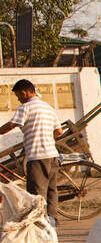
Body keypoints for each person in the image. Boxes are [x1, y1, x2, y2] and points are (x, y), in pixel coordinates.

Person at [1, 79, 60, 222]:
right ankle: (52, 220)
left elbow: (11, 125)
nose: (19, 99)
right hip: (52, 155)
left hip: (37, 156)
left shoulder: (25, 108)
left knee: (36, 193)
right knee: (52, 190)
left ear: (24, 92)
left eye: (18, 96)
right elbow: (58, 131)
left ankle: (40, 223)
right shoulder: (48, 107)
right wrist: (45, 138)